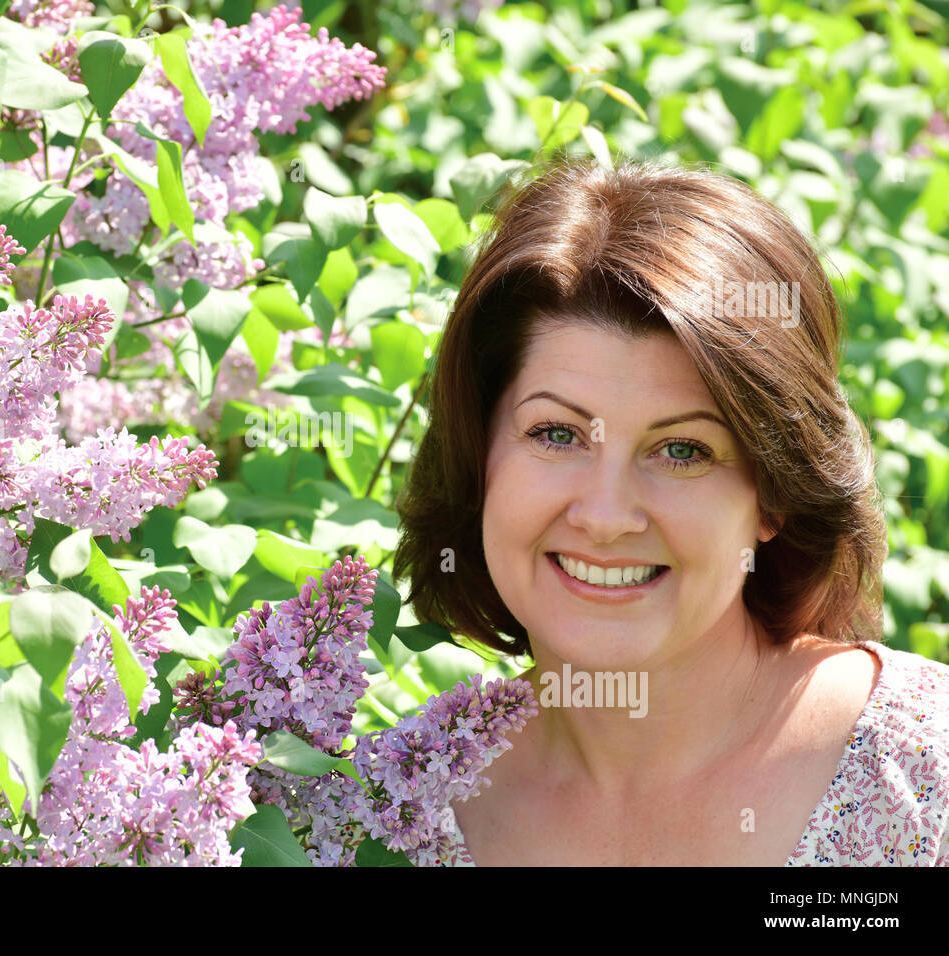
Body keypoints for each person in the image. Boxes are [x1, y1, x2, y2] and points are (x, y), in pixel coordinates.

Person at [394, 156, 949, 866]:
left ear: (773, 494)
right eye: (556, 435)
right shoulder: (390, 812)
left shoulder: (924, 779)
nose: (606, 515)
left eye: (682, 451)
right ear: (480, 463)